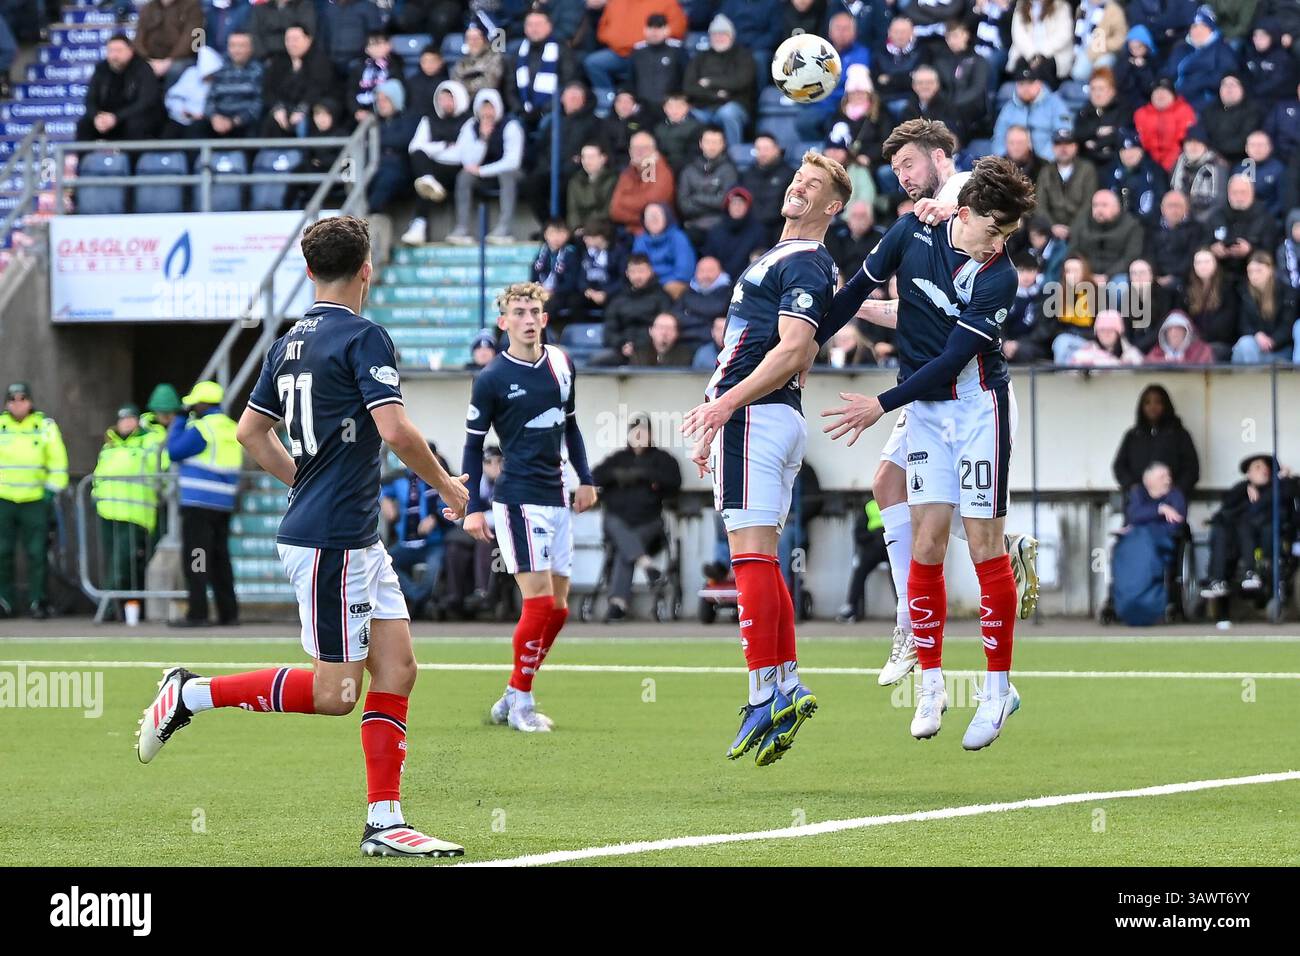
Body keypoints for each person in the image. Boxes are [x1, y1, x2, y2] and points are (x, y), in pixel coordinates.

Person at [138, 216, 472, 859]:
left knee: (398, 668)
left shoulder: (287, 342)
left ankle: (385, 821)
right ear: (367, 270)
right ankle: (190, 694)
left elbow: (249, 433)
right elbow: (397, 432)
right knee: (335, 694)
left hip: (349, 537)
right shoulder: (366, 336)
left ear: (309, 270)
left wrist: (303, 480)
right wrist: (448, 489)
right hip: (331, 543)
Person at [817, 154, 1038, 751]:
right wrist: (805, 338)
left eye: (1006, 236)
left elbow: (949, 363)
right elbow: (857, 291)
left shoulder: (998, 276)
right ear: (962, 214)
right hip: (927, 412)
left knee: (985, 542)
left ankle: (996, 693)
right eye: (991, 230)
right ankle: (933, 684)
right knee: (927, 540)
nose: (997, 244)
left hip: (977, 407)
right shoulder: (911, 233)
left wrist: (879, 405)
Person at [681, 149, 849, 767]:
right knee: (762, 558)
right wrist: (715, 417)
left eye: (815, 186)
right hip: (770, 420)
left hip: (756, 418)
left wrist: (722, 408)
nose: (799, 188)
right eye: (798, 180)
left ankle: (763, 691)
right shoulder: (784, 258)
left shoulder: (807, 260)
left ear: (833, 207)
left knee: (747, 559)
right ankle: (784, 683)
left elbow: (793, 349)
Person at [460, 282, 598, 734]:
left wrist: (586, 478)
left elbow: (571, 426)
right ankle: (521, 702)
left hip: (558, 496)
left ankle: (513, 692)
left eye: (534, 310)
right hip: (518, 501)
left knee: (558, 610)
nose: (528, 318)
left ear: (544, 317)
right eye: (518, 312)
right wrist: (471, 507)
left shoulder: (561, 362)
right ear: (504, 322)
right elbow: (473, 445)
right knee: (537, 605)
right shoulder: (492, 378)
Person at [590, 414, 682, 620]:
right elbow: (595, 475)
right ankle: (646, 566)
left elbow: (674, 483)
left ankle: (618, 604)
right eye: (635, 432)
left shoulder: (662, 459)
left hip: (649, 525)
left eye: (644, 432)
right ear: (629, 435)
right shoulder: (617, 459)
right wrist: (617, 475)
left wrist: (645, 474)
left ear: (651, 435)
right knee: (616, 528)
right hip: (617, 523)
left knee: (627, 547)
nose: (639, 436)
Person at [166, 381, 241, 628]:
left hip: (199, 502)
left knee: (197, 558)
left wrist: (178, 420)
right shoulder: (231, 427)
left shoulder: (202, 428)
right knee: (220, 558)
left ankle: (197, 613)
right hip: (224, 502)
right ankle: (228, 613)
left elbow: (174, 451)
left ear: (201, 403)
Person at [0, 383, 68, 619]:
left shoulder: (44, 426)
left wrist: (51, 491)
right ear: (7, 403)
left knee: (37, 553)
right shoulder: (1, 426)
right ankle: (4, 601)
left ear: (30, 401)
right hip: (4, 499)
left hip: (36, 499)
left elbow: (58, 462)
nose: (18, 404)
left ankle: (37, 600)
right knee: (2, 552)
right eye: (13, 399)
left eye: (22, 399)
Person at [93, 404, 164, 617]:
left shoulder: (149, 441)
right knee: (115, 564)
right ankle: (121, 611)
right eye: (123, 418)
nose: (126, 422)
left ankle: (106, 609)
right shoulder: (110, 446)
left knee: (123, 566)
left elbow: (162, 464)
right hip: (108, 512)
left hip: (136, 514)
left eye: (131, 418)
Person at [1201, 455, 1296, 599]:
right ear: (1248, 473)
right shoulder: (1240, 489)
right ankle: (1216, 579)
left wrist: (1280, 480)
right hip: (1234, 538)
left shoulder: (1279, 487)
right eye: (1257, 467)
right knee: (1220, 529)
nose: (1263, 469)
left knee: (1244, 525)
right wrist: (1247, 490)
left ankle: (1251, 572)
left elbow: (1285, 500)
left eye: (1266, 467)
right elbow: (1227, 509)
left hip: (1263, 535)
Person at [447, 88, 525, 245]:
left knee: (507, 174)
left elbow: (512, 161)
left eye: (491, 107)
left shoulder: (511, 126)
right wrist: (483, 138)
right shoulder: (471, 126)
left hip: (512, 174)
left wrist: (482, 171)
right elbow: (468, 161)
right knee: (464, 176)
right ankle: (462, 228)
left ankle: (504, 228)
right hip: (484, 174)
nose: (487, 112)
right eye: (484, 108)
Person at [381, 446, 451, 618]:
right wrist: (384, 501)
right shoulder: (400, 479)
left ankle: (416, 602)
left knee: (433, 570)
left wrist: (435, 517)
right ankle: (418, 598)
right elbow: (379, 488)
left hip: (433, 543)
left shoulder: (441, 478)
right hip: (406, 542)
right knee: (386, 563)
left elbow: (451, 501)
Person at [403, 80, 470, 246]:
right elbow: (415, 146)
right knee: (422, 171)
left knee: (423, 181)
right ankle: (429, 183)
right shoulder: (429, 119)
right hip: (431, 168)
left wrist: (432, 149)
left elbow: (460, 154)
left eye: (449, 98)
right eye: (442, 98)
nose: (445, 103)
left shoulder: (469, 121)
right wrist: (444, 145)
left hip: (455, 170)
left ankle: (419, 224)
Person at [1111, 383, 1200, 499]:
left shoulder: (1179, 434)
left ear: (1166, 405)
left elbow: (1191, 468)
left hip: (1170, 502)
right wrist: (1132, 487)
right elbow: (1119, 466)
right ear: (1141, 407)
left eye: (1158, 402)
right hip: (1139, 502)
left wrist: (1178, 491)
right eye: (1147, 402)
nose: (1152, 407)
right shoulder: (1133, 435)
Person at [682, 13, 755, 152]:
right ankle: (699, 158)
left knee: (727, 113)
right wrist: (717, 95)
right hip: (705, 106)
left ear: (731, 36)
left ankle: (735, 154)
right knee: (691, 116)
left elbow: (741, 82)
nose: (718, 38)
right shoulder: (700, 58)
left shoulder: (743, 56)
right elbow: (689, 87)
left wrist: (710, 82)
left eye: (723, 34)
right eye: (715, 34)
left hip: (735, 105)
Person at [77, 34, 163, 142]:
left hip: (131, 116)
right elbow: (90, 99)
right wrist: (96, 117)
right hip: (106, 117)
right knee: (84, 124)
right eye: (111, 51)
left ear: (130, 50)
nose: (114, 55)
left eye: (119, 50)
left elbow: (146, 101)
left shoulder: (143, 68)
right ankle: (84, 158)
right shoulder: (101, 69)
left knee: (136, 124)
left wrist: (116, 117)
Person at [593, 253, 674, 365]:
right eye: (633, 272)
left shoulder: (662, 297)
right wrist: (622, 344)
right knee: (596, 363)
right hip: (622, 349)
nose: (637, 276)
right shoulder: (618, 298)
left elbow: (665, 328)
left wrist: (641, 346)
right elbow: (609, 330)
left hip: (651, 350)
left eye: (641, 271)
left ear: (650, 271)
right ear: (627, 274)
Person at [260, 25, 337, 138]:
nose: (291, 44)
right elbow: (268, 90)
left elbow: (319, 88)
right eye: (288, 40)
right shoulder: (278, 62)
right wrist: (277, 108)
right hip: (282, 110)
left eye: (296, 39)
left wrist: (302, 109)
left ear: (308, 40)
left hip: (310, 110)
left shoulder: (320, 62)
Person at [993, 62, 1073, 161]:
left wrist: (1044, 161)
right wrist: (1004, 160)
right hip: (1015, 163)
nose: (1026, 88)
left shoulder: (1055, 104)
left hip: (1048, 162)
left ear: (1040, 84)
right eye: (1021, 84)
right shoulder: (1009, 108)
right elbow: (999, 138)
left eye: (1030, 83)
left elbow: (1063, 135)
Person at [676, 125, 739, 245]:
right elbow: (684, 206)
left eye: (716, 142)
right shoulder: (688, 170)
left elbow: (725, 202)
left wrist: (696, 198)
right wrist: (713, 201)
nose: (711, 146)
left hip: (720, 227)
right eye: (708, 142)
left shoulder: (729, 170)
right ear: (701, 144)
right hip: (692, 227)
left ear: (723, 144)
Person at [1067, 188, 1145, 283]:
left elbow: (1130, 256)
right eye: (1095, 205)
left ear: (1117, 207)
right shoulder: (1081, 223)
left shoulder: (1132, 226)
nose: (1099, 209)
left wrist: (1107, 276)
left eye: (1104, 205)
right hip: (1086, 273)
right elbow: (1073, 251)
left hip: (1117, 274)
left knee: (1119, 288)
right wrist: (1087, 273)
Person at [1232, 251, 1296, 363]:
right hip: (1255, 347)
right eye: (1250, 271)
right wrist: (1257, 334)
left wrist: (1273, 340)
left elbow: (1288, 324)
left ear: (1270, 270)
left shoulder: (1286, 292)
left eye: (1259, 271)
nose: (1254, 276)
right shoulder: (1246, 293)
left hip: (1282, 349)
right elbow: (1243, 324)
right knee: (1245, 344)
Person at [609, 130, 676, 236]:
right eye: (635, 148)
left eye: (644, 148)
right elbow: (615, 210)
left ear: (654, 150)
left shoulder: (659, 171)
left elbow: (651, 204)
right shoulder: (627, 172)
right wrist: (639, 215)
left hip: (653, 234)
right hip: (627, 231)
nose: (638, 152)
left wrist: (626, 203)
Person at [1036, 128, 1098, 240]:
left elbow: (1089, 204)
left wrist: (1072, 229)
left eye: (1068, 143)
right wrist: (1052, 226)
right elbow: (1040, 205)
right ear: (1053, 148)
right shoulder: (1046, 171)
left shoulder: (1087, 169)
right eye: (1059, 144)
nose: (1063, 148)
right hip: (1050, 230)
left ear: (1075, 146)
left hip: (1081, 230)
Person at [203, 31, 264, 140]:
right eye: (233, 46)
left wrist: (235, 121)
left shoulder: (259, 71)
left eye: (241, 46)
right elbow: (209, 100)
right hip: (219, 121)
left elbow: (258, 104)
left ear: (251, 48)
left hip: (244, 123)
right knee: (196, 127)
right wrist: (214, 117)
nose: (237, 50)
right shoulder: (219, 70)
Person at [836, 498, 889, 623]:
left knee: (898, 571)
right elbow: (858, 533)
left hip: (891, 546)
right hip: (873, 548)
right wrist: (875, 537)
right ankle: (851, 607)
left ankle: (902, 608)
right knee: (859, 570)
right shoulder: (869, 506)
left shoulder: (896, 503)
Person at [631, 202, 695, 298]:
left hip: (672, 283)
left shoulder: (678, 237)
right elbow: (637, 266)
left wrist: (660, 284)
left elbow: (684, 271)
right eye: (649, 217)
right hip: (647, 283)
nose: (653, 220)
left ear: (667, 217)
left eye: (657, 216)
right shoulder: (640, 240)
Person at [135, 0, 206, 87]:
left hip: (182, 58)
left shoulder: (193, 6)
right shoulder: (148, 8)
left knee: (175, 69)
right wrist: (147, 60)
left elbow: (192, 38)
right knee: (136, 66)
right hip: (151, 58)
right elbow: (139, 37)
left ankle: (171, 99)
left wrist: (169, 60)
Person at [566, 140, 617, 232]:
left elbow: (607, 210)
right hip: (580, 230)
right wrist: (576, 227)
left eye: (591, 157)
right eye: (583, 157)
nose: (586, 161)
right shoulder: (575, 181)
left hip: (603, 229)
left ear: (603, 158)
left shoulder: (613, 180)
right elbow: (573, 210)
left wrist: (589, 228)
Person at [1068, 309, 1144, 366]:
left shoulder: (1132, 355)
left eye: (1110, 330)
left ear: (1119, 333)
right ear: (1096, 333)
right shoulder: (1084, 354)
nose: (1106, 334)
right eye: (1102, 330)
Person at [249, 0, 316, 60]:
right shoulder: (261, 8)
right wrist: (264, 56)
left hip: (297, 57)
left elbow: (307, 31)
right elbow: (255, 34)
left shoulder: (304, 5)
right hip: (268, 57)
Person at [1144, 309, 1216, 364]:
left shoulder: (1202, 351)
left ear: (1187, 332)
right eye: (1170, 329)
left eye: (1178, 328)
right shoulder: (1156, 353)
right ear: (1165, 333)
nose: (1174, 332)